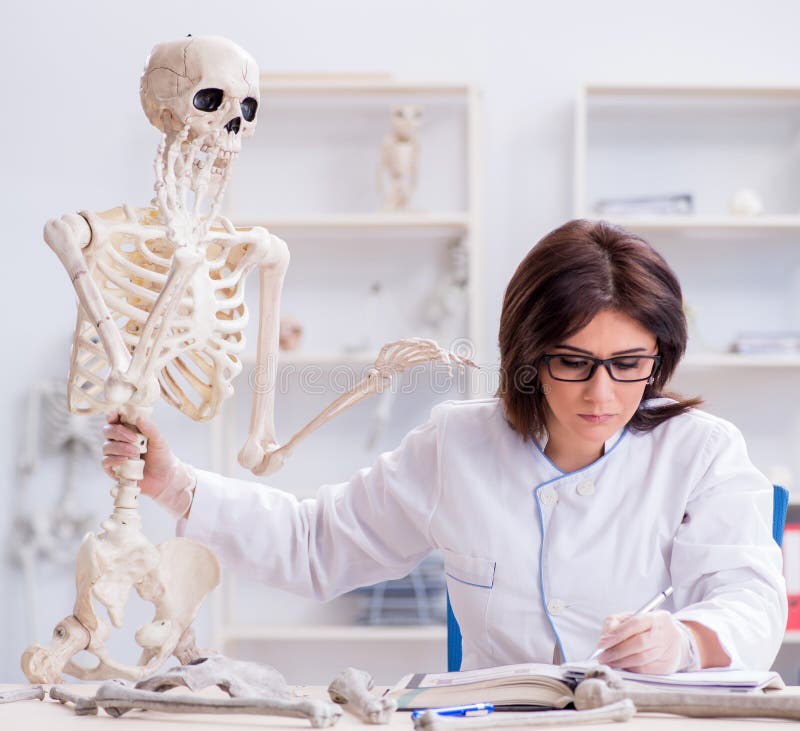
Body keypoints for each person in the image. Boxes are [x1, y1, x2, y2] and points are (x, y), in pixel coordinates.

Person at [102, 219, 787, 674]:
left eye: (629, 362)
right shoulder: (458, 444)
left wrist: (688, 641)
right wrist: (172, 482)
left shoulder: (699, 451)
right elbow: (317, 544)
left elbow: (751, 600)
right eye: (573, 362)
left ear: (659, 357)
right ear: (527, 356)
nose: (602, 393)